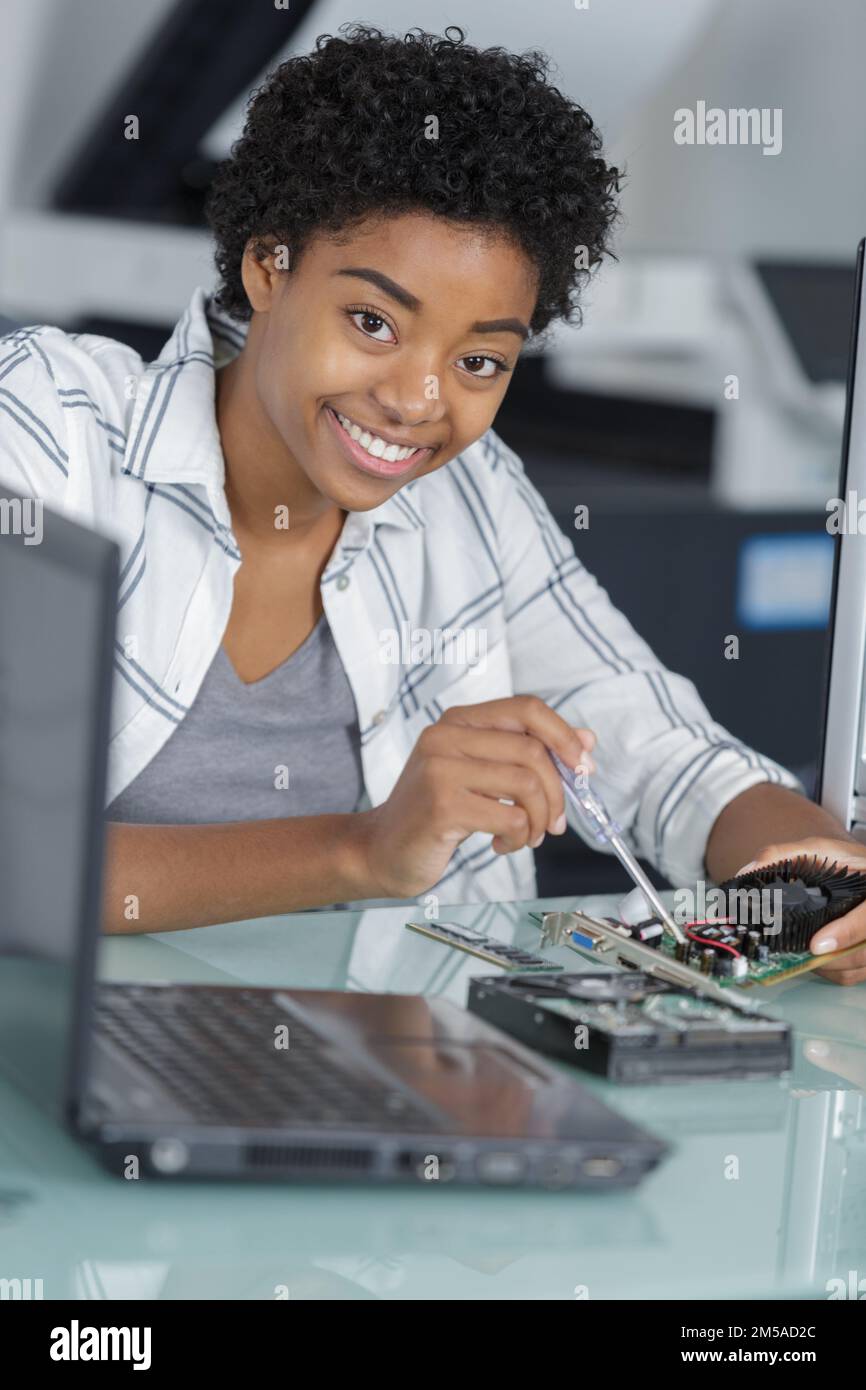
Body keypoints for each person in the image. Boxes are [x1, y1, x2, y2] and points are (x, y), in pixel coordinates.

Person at [2, 24, 865, 981]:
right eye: (373, 322)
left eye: (479, 360)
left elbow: (656, 748)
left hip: (395, 1070)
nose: (419, 401)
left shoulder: (472, 494)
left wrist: (805, 871)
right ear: (266, 266)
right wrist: (363, 848)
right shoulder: (51, 427)